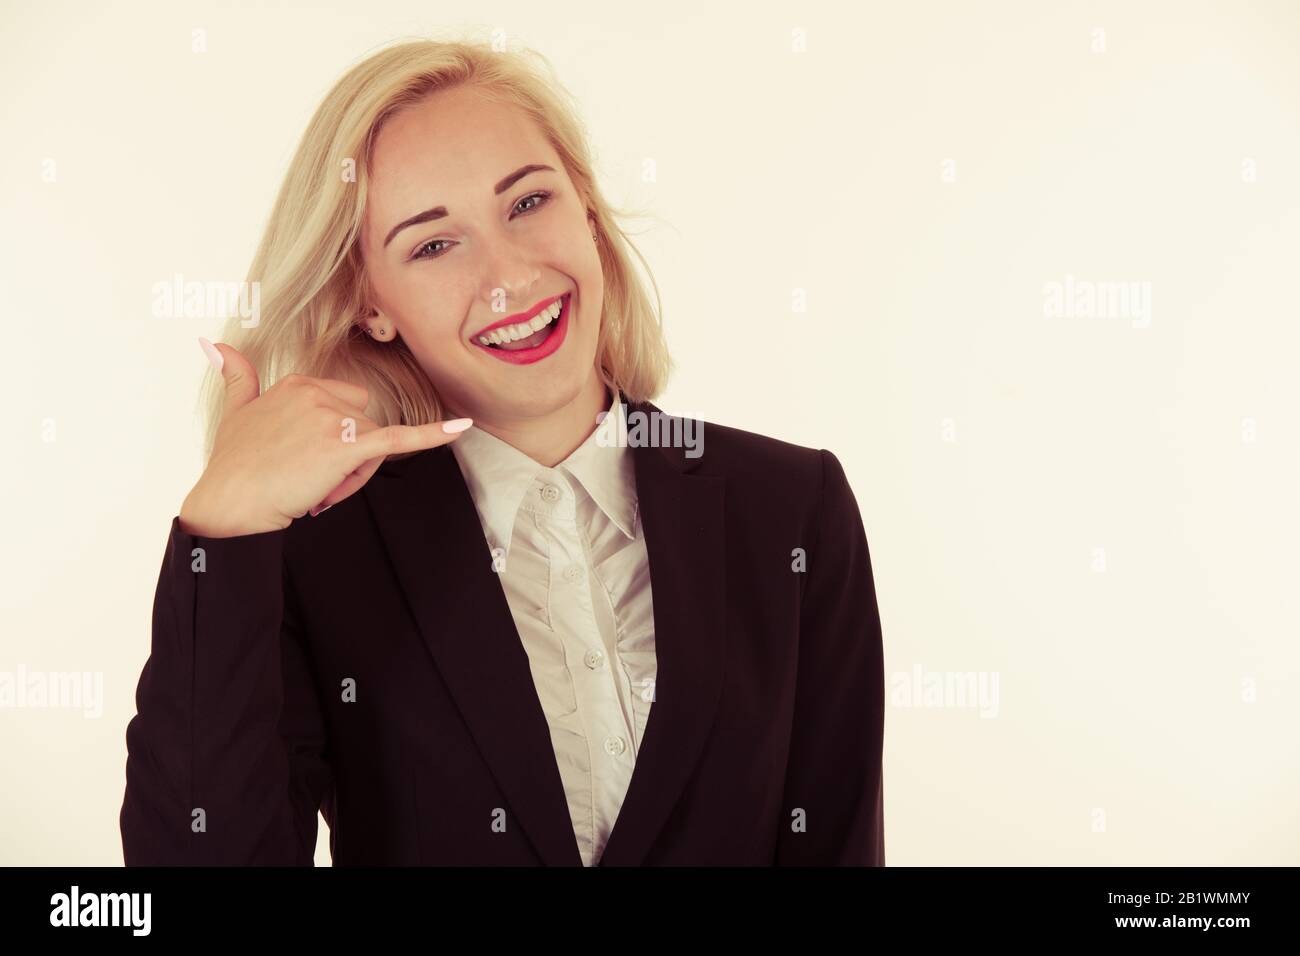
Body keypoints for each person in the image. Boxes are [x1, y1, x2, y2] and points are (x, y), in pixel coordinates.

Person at [120, 37, 885, 866]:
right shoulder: (318, 555)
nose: (509, 277)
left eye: (527, 203)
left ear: (588, 212)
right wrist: (224, 523)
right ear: (371, 306)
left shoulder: (792, 509)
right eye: (433, 245)